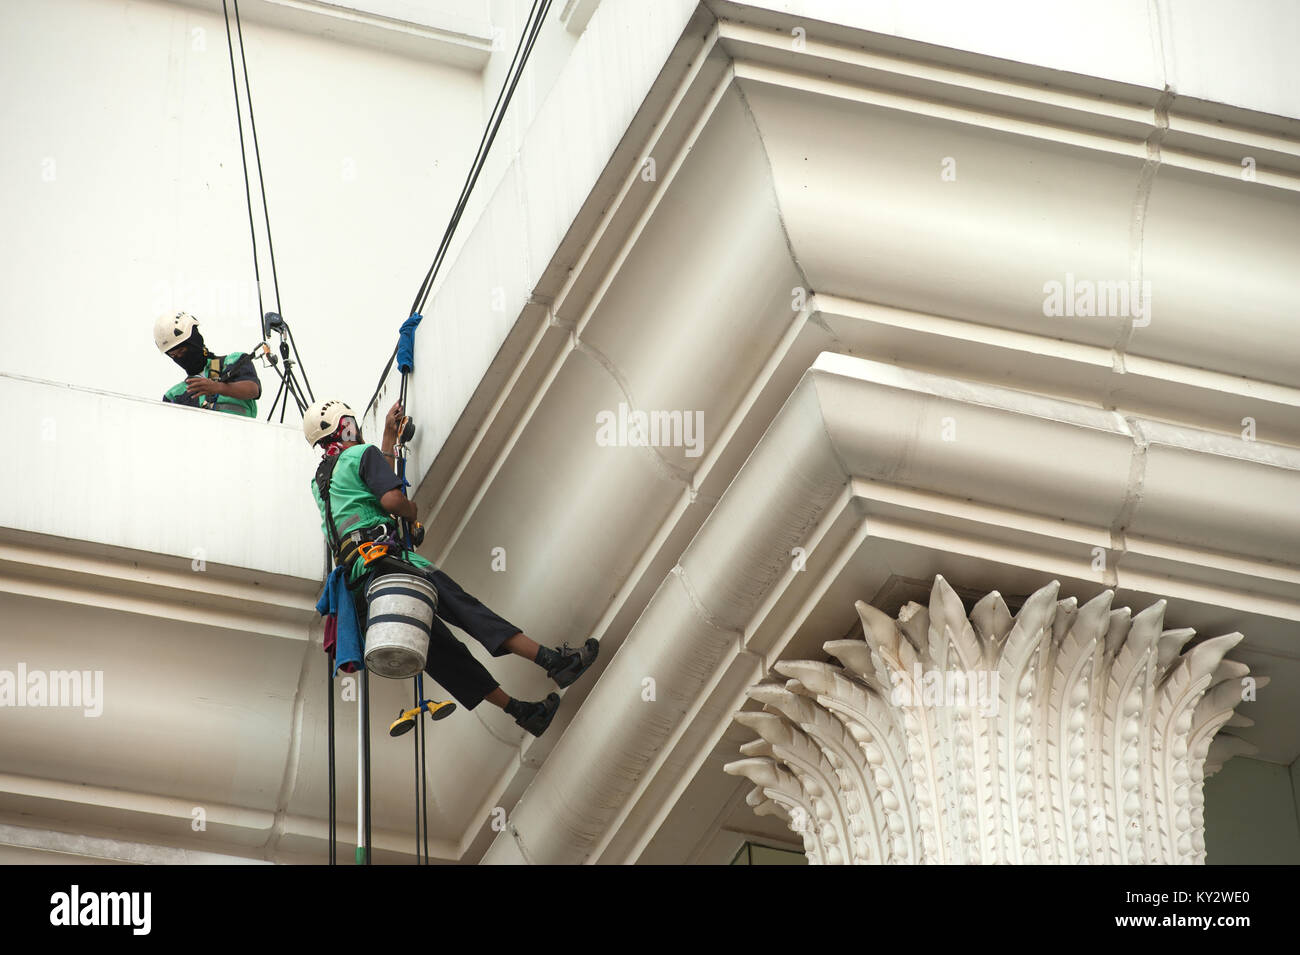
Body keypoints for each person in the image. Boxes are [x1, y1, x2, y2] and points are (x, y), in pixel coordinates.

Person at [304, 397, 598, 736]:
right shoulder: (361, 454)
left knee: (441, 653)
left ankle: (523, 712)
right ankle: (556, 662)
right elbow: (389, 500)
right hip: (390, 564)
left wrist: (388, 441)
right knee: (466, 610)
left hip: (361, 589)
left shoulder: (320, 483)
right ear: (347, 426)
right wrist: (410, 511)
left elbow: (364, 492)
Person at [154, 311, 261, 417]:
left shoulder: (233, 362)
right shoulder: (174, 395)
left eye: (182, 351)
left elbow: (253, 390)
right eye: (174, 355)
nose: (180, 358)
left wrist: (218, 387)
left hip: (242, 432)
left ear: (195, 342)